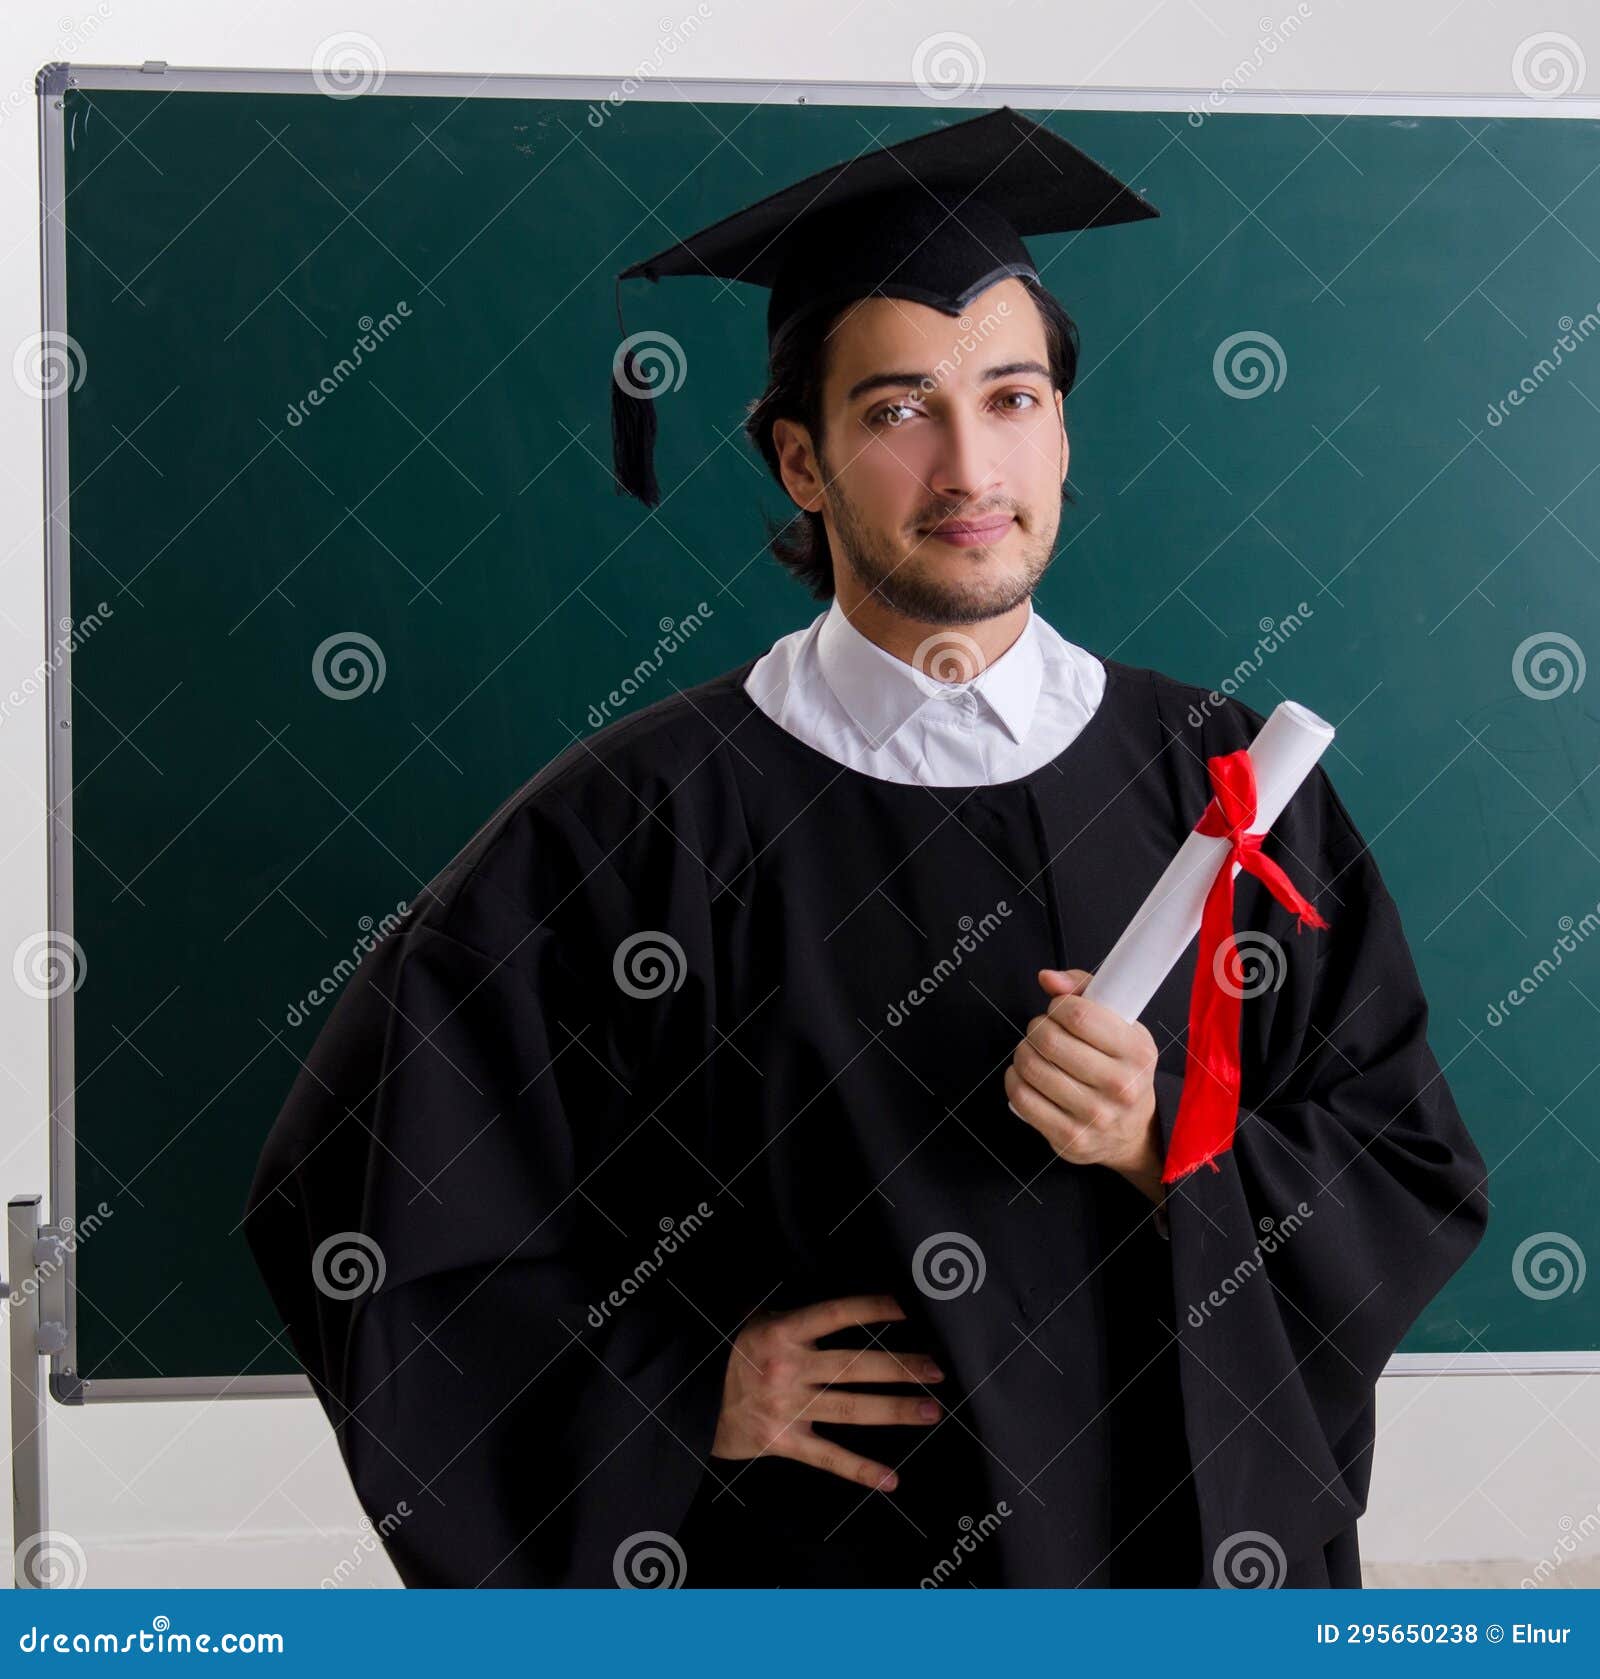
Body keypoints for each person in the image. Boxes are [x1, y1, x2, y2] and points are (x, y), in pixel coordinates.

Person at [242, 106, 1488, 1590]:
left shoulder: (1224, 792)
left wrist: (1168, 1144)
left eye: (1013, 398)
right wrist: (671, 1392)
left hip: (1169, 1564)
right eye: (900, 410)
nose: (970, 467)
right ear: (801, 460)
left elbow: (1405, 1167)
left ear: (1063, 430)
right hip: (802, 1587)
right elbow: (361, 1216)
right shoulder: (635, 826)